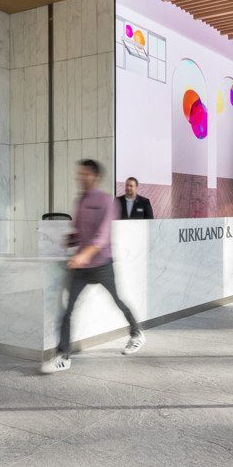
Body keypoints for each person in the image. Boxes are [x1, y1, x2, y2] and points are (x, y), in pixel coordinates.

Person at [41, 159, 144, 374]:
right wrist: (69, 241)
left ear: (94, 176)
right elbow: (79, 232)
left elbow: (101, 237)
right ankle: (63, 356)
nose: (79, 177)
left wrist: (83, 255)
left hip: (101, 264)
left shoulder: (107, 201)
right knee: (67, 310)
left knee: (117, 300)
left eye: (84, 174)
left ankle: (136, 333)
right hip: (81, 268)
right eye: (78, 173)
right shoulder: (80, 201)